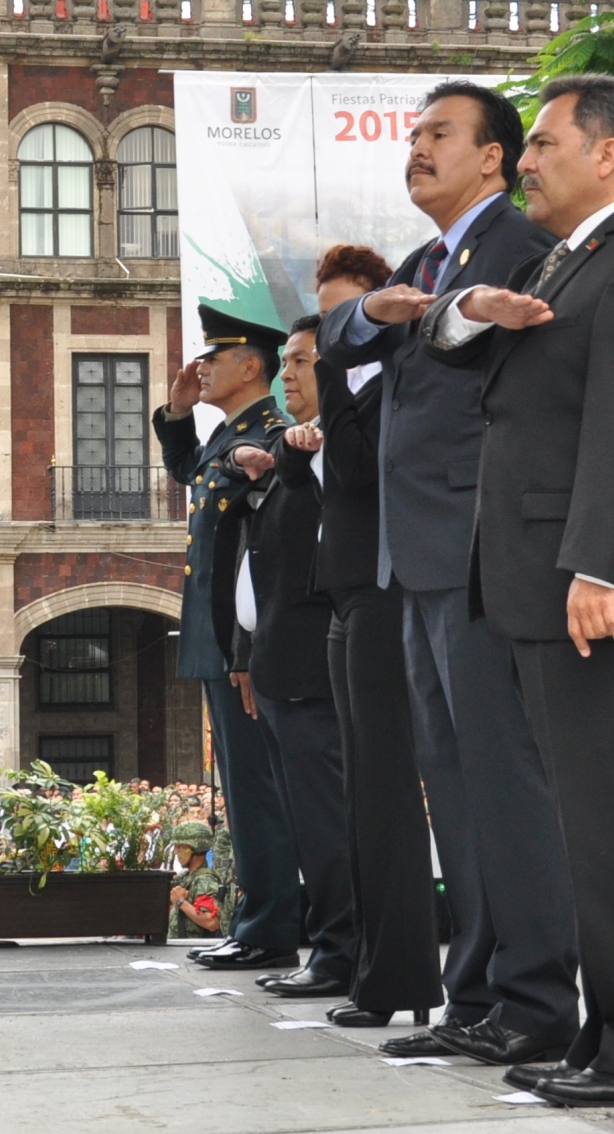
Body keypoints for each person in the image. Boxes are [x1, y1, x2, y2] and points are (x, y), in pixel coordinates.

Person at [417, 74, 614, 1108]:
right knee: (590, 831)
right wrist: (472, 304)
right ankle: (605, 1037)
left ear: (606, 153)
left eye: (542, 143)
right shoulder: (562, 259)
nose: (526, 161)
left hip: (605, 591)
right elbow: (442, 337)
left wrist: (598, 564)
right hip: (543, 587)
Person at [320, 79, 579, 1070]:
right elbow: (341, 335)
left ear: (492, 156)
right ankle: (475, 993)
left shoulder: (511, 243)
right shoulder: (428, 259)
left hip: (476, 551)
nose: (416, 149)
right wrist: (374, 308)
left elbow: (478, 338)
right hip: (418, 556)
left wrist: (439, 310)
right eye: (412, 135)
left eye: (438, 133)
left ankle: (537, 998)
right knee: (457, 789)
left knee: (500, 783)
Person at [287, 245, 442, 1028]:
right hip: (345, 592)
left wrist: (333, 386)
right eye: (327, 321)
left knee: (384, 793)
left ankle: (399, 978)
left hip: (385, 592)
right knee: (362, 795)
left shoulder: (388, 384)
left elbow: (354, 473)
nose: (334, 334)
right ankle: (373, 972)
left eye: (346, 316)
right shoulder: (349, 392)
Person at [154, 303, 305, 975]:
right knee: (240, 791)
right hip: (217, 638)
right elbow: (188, 470)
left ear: (250, 367)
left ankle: (271, 926)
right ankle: (255, 920)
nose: (201, 367)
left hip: (240, 640)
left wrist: (248, 649)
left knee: (256, 789)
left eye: (213, 358)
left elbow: (260, 552)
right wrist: (177, 413)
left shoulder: (270, 436)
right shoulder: (227, 435)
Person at [238, 317, 357, 1001]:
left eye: (301, 361)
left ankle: (342, 951)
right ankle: (332, 946)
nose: (286, 373)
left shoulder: (337, 452)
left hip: (316, 675)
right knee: (310, 829)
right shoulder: (290, 453)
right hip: (280, 670)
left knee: (328, 827)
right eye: (284, 361)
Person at [167, 820, 226, 941]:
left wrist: (180, 902)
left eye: (181, 846)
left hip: (191, 948)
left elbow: (211, 922)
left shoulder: (205, 880)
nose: (176, 852)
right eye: (176, 846)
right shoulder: (186, 876)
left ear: (197, 848)